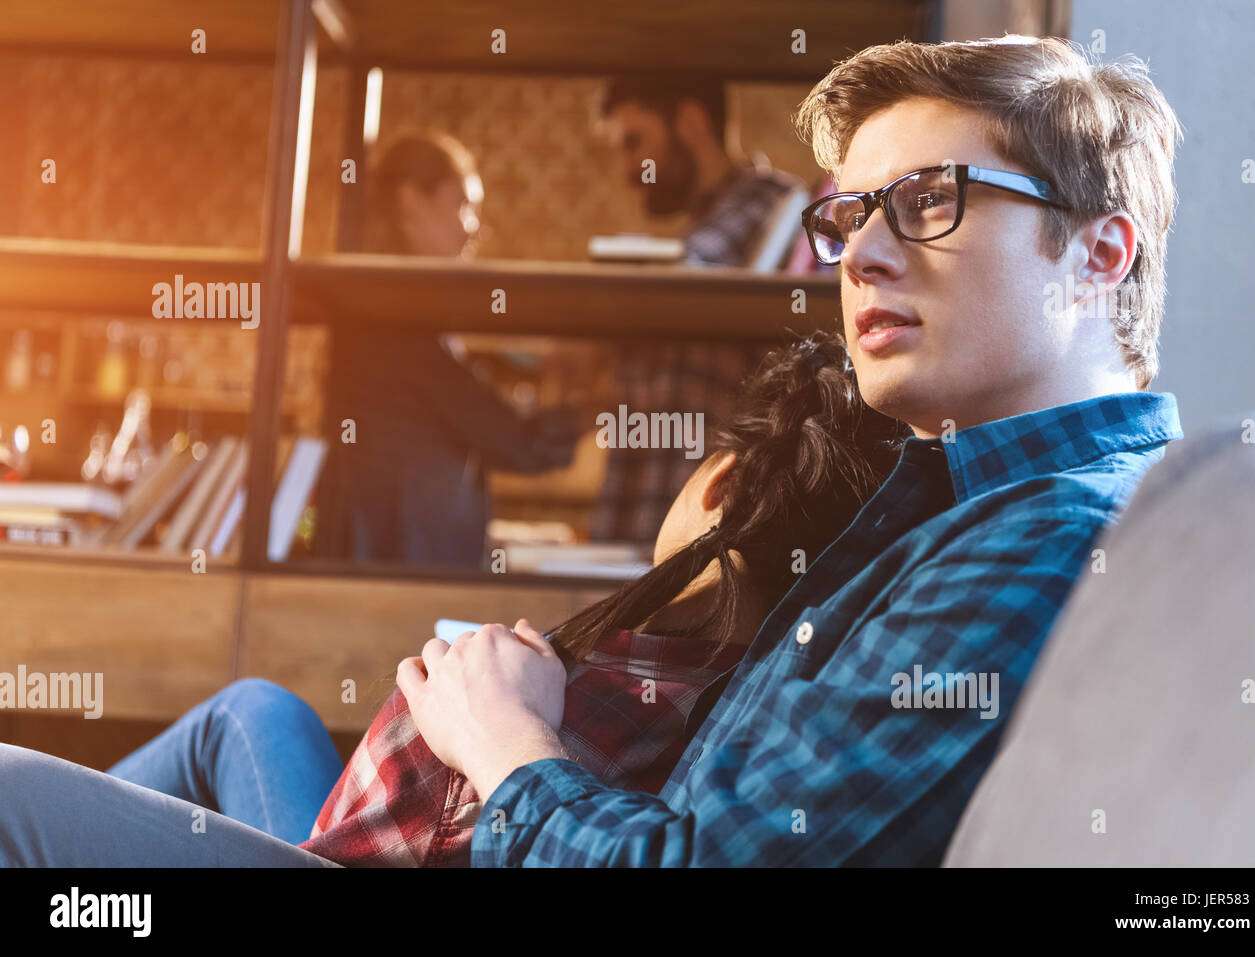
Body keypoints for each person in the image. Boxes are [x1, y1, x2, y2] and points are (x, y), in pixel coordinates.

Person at [390, 35, 1186, 866]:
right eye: (850, 218)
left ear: (1100, 254)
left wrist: (504, 741)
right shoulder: (963, 515)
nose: (863, 258)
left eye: (928, 201)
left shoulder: (1051, 534)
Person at [0, 333, 905, 865]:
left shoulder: (643, 688)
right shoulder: (763, 680)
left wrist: (482, 723)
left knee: (15, 788)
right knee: (250, 709)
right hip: (348, 840)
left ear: (723, 485)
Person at [315, 132, 576, 567]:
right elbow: (515, 443)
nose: (475, 226)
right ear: (411, 201)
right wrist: (598, 405)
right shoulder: (394, 325)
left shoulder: (391, 314)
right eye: (463, 205)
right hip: (396, 578)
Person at [588, 75, 807, 543]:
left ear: (689, 122)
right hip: (651, 508)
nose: (629, 168)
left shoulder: (771, 202)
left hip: (703, 518)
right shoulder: (707, 226)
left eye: (635, 141)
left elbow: (691, 270)